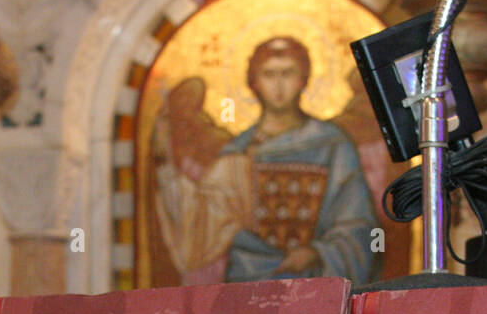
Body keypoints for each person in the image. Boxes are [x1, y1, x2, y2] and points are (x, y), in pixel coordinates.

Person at [154, 37, 379, 284]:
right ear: (254, 83)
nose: (279, 85)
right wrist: (167, 168)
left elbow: (357, 223)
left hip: (313, 285)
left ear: (303, 79)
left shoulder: (332, 145)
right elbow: (202, 226)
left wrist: (318, 252)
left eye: (288, 73)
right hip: (246, 282)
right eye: (269, 74)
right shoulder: (238, 153)